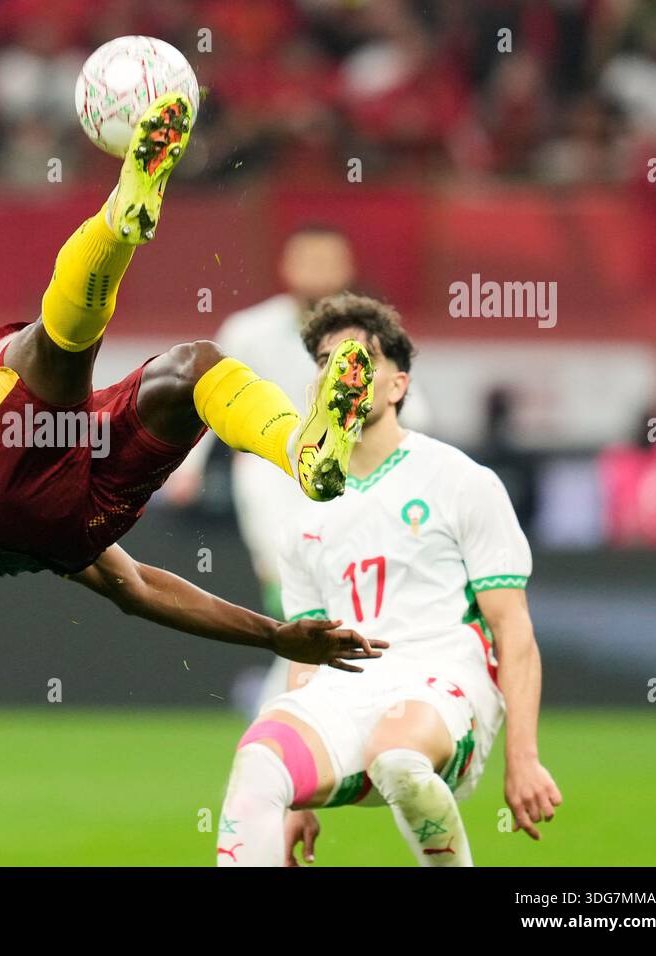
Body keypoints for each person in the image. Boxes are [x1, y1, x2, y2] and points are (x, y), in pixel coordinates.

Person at [0, 93, 381, 679]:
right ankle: (120, 217)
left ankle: (302, 453)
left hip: (73, 512)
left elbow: (135, 588)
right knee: (39, 347)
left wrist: (274, 635)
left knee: (191, 368)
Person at [215, 294, 561, 867]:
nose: (342, 373)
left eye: (359, 359)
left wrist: (523, 757)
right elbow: (308, 650)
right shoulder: (302, 508)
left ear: (399, 385)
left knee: (395, 755)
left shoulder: (461, 481)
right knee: (258, 761)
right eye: (328, 361)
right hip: (343, 690)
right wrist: (301, 796)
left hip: (442, 680)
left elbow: (513, 630)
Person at [166, 224, 357, 621]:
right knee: (283, 564)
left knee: (340, 570)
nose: (318, 271)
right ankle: (299, 630)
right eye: (309, 260)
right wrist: (187, 468)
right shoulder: (248, 330)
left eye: (328, 261)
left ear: (347, 268)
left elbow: (411, 410)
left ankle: (326, 638)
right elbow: (210, 398)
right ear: (286, 266)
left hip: (347, 467)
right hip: (268, 466)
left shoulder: (366, 332)